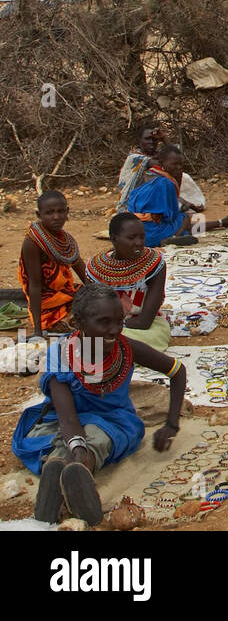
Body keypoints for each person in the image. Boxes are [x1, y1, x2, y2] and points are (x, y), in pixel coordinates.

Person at [12, 283, 186, 526]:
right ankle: (71, 477)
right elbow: (68, 418)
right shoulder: (61, 354)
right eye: (104, 322)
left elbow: (177, 371)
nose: (114, 330)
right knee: (66, 439)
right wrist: (80, 455)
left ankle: (62, 473)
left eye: (119, 321)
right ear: (79, 324)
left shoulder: (126, 348)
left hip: (116, 422)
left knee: (95, 436)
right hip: (63, 421)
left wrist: (171, 424)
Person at [126, 145, 228, 247]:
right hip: (153, 234)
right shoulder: (166, 183)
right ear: (162, 163)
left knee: (184, 219)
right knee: (185, 218)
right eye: (175, 164)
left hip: (136, 231)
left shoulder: (147, 175)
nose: (179, 168)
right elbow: (171, 216)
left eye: (181, 164)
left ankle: (223, 222)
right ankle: (173, 238)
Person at [85, 214, 171, 351]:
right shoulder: (96, 269)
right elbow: (92, 312)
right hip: (107, 327)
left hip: (144, 328)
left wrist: (111, 327)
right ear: (114, 239)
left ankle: (111, 351)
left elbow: (144, 322)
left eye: (142, 237)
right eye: (131, 238)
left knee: (150, 340)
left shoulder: (155, 265)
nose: (138, 243)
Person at [18, 191, 86, 336]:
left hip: (63, 293)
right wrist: (37, 331)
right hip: (45, 302)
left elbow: (82, 270)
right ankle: (59, 321)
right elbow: (34, 285)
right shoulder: (33, 242)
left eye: (60, 211)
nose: (56, 217)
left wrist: (102, 292)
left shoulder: (65, 240)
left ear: (67, 212)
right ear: (39, 214)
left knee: (88, 295)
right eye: (49, 213)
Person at [116, 127, 206, 215]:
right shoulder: (135, 158)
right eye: (147, 139)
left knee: (180, 176)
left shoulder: (156, 155)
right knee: (167, 176)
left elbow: (177, 158)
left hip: (152, 195)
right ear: (139, 141)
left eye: (154, 140)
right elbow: (173, 161)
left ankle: (177, 204)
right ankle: (174, 206)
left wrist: (164, 138)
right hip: (132, 203)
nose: (151, 142)